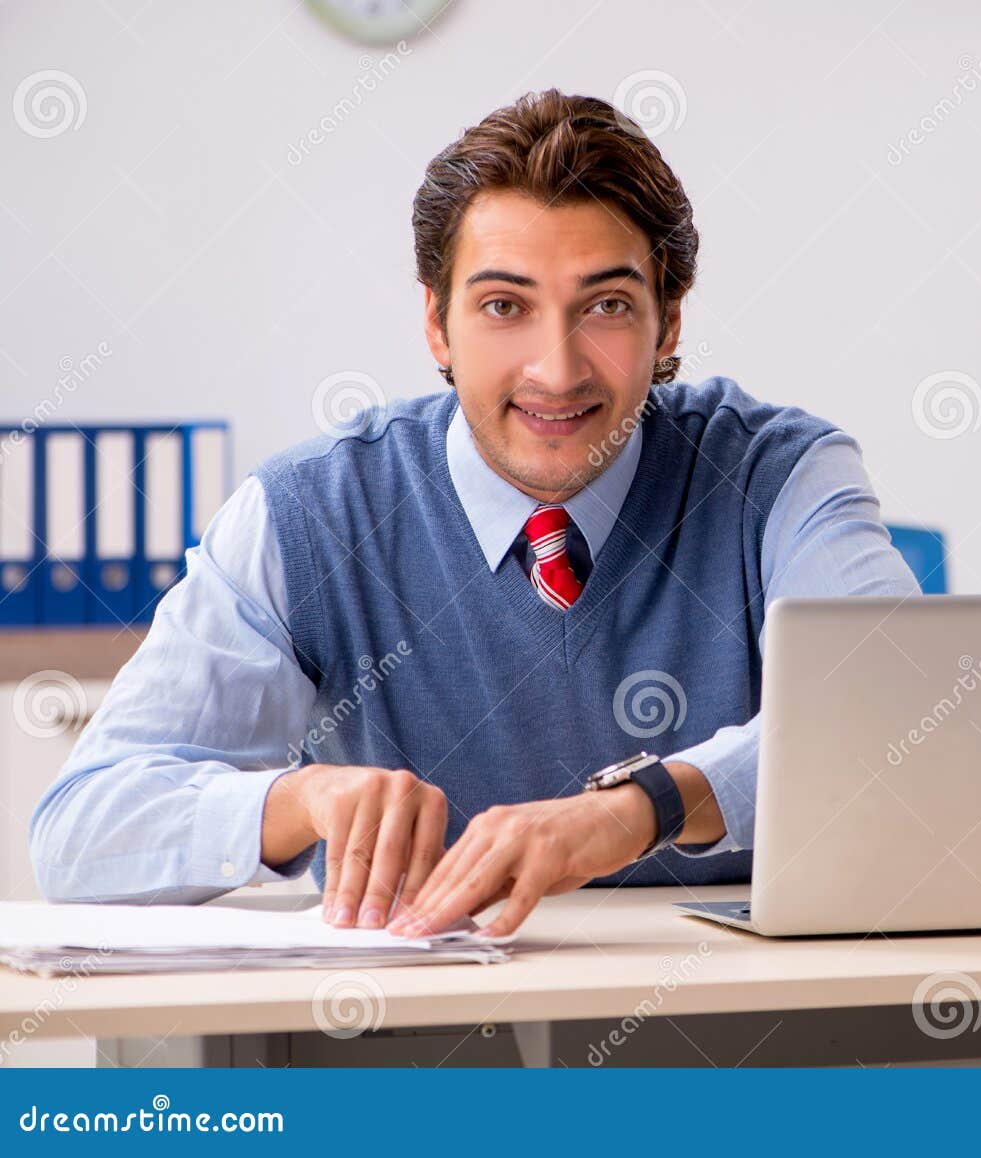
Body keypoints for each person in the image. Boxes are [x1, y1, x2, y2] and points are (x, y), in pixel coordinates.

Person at [29, 89, 919, 940]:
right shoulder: (311, 512)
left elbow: (900, 717)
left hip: (748, 1027)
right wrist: (296, 802)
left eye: (607, 306)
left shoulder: (782, 474)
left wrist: (640, 810)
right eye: (504, 307)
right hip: (417, 1037)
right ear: (438, 327)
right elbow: (80, 830)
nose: (556, 369)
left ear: (669, 321)